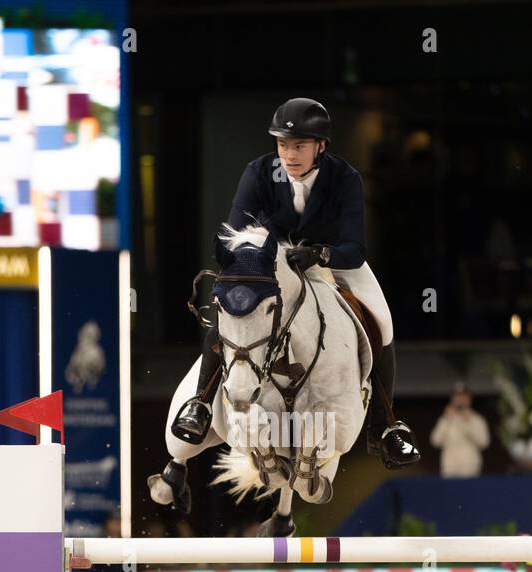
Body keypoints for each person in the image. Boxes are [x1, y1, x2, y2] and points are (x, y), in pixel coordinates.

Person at [170, 97, 421, 469]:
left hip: (332, 264)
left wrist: (321, 255)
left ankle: (386, 424)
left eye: (299, 146)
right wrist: (258, 260)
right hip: (271, 264)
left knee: (382, 320)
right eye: (283, 145)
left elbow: (354, 248)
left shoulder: (344, 178)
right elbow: (235, 235)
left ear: (320, 146)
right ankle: (201, 402)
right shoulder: (257, 173)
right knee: (234, 309)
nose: (290, 154)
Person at [429, 384, 490, 477]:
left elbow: (484, 442)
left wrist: (467, 424)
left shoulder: (477, 419)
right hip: (450, 467)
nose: (460, 400)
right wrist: (447, 419)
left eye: (464, 396)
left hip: (470, 467)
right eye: (457, 396)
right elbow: (435, 441)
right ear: (452, 399)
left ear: (469, 399)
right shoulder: (445, 419)